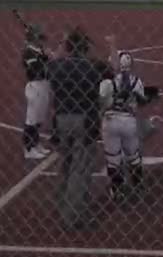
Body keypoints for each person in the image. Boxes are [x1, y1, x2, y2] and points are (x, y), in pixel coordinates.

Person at [46, 27, 113, 230]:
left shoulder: (56, 66)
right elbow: (112, 72)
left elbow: (52, 64)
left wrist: (62, 43)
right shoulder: (93, 66)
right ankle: (73, 216)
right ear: (85, 48)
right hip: (85, 120)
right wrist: (110, 46)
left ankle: (62, 203)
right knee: (80, 168)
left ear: (67, 47)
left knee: (66, 163)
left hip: (60, 120)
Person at [99, 51, 160, 202]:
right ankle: (138, 186)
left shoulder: (107, 82)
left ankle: (117, 190)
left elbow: (101, 101)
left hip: (110, 121)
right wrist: (150, 96)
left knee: (113, 159)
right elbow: (142, 102)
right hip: (129, 122)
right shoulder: (136, 81)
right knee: (133, 157)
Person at [21, 24, 53, 160]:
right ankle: (28, 148)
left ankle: (36, 143)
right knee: (32, 119)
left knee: (39, 118)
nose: (42, 40)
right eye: (39, 37)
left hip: (44, 84)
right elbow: (36, 69)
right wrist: (46, 58)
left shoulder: (38, 50)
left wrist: (45, 56)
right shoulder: (28, 52)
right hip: (35, 85)